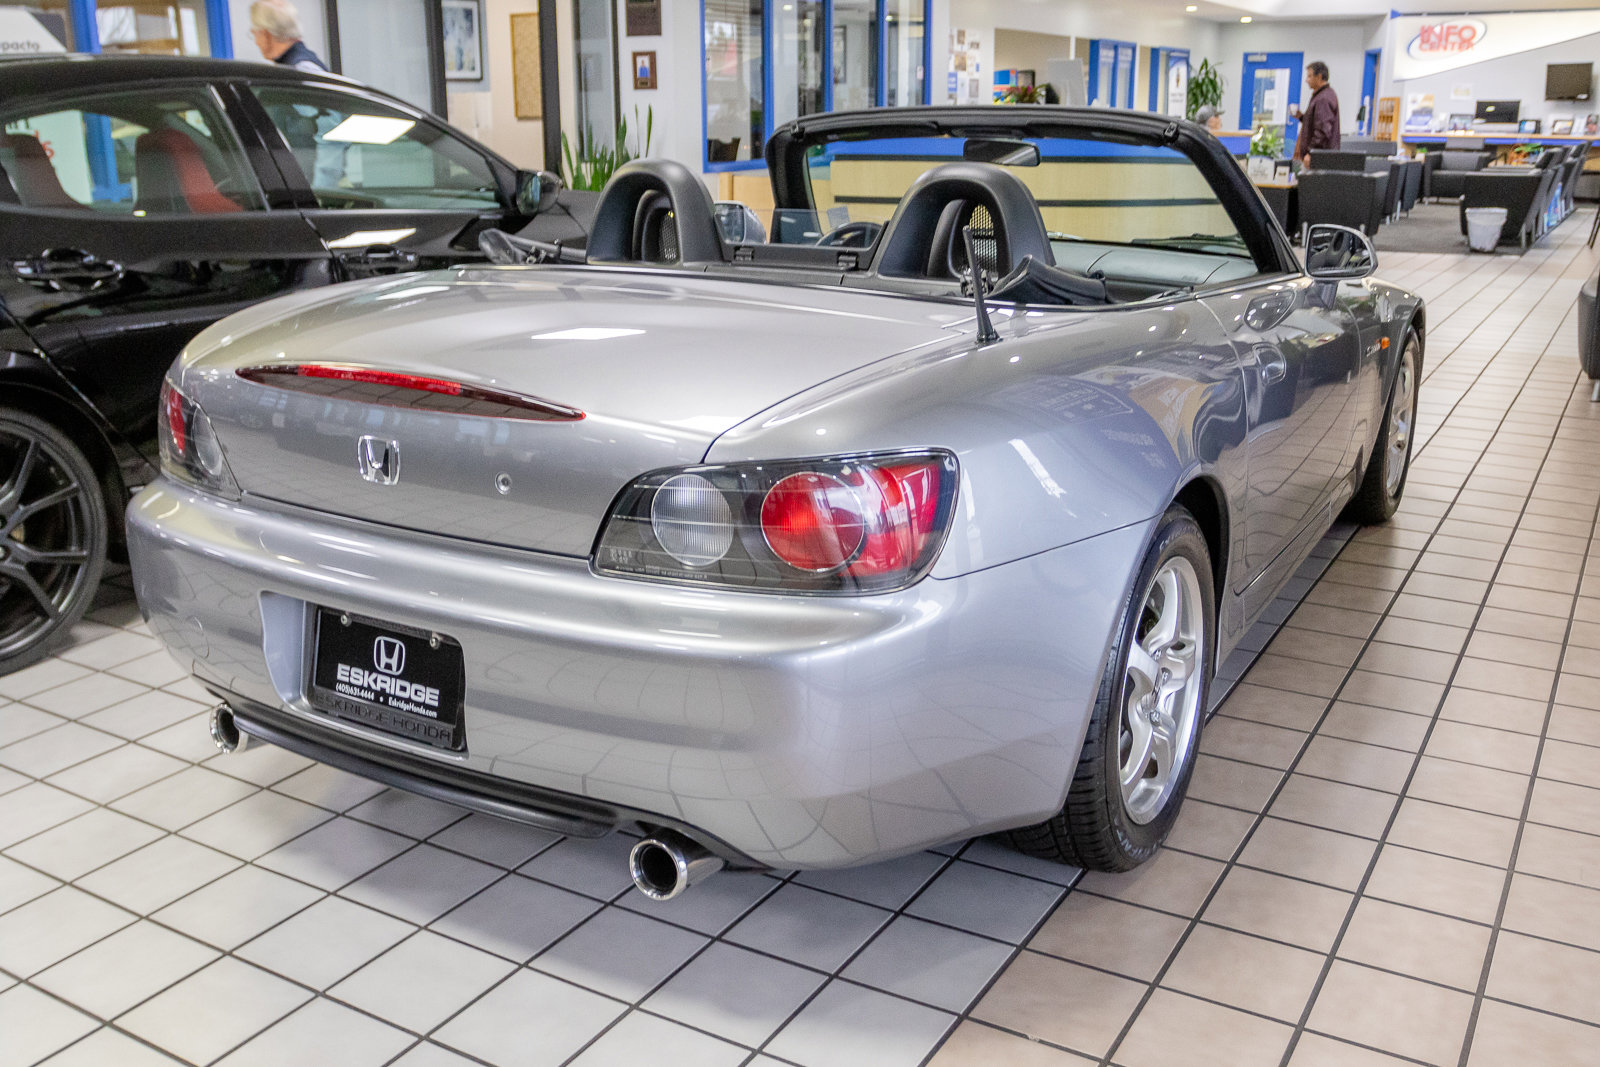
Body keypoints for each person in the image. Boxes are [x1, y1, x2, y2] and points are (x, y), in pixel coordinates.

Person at [250, 0, 328, 72]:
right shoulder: (293, 64)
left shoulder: (301, 69)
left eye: (255, 33)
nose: (256, 42)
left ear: (266, 34)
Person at [1291, 61, 1340, 169]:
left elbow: (1323, 130)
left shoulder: (1323, 98)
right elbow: (1317, 122)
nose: (1306, 80)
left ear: (1319, 77)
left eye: (1309, 76)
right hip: (1318, 158)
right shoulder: (1321, 95)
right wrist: (1301, 117)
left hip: (1319, 159)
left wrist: (1311, 152)